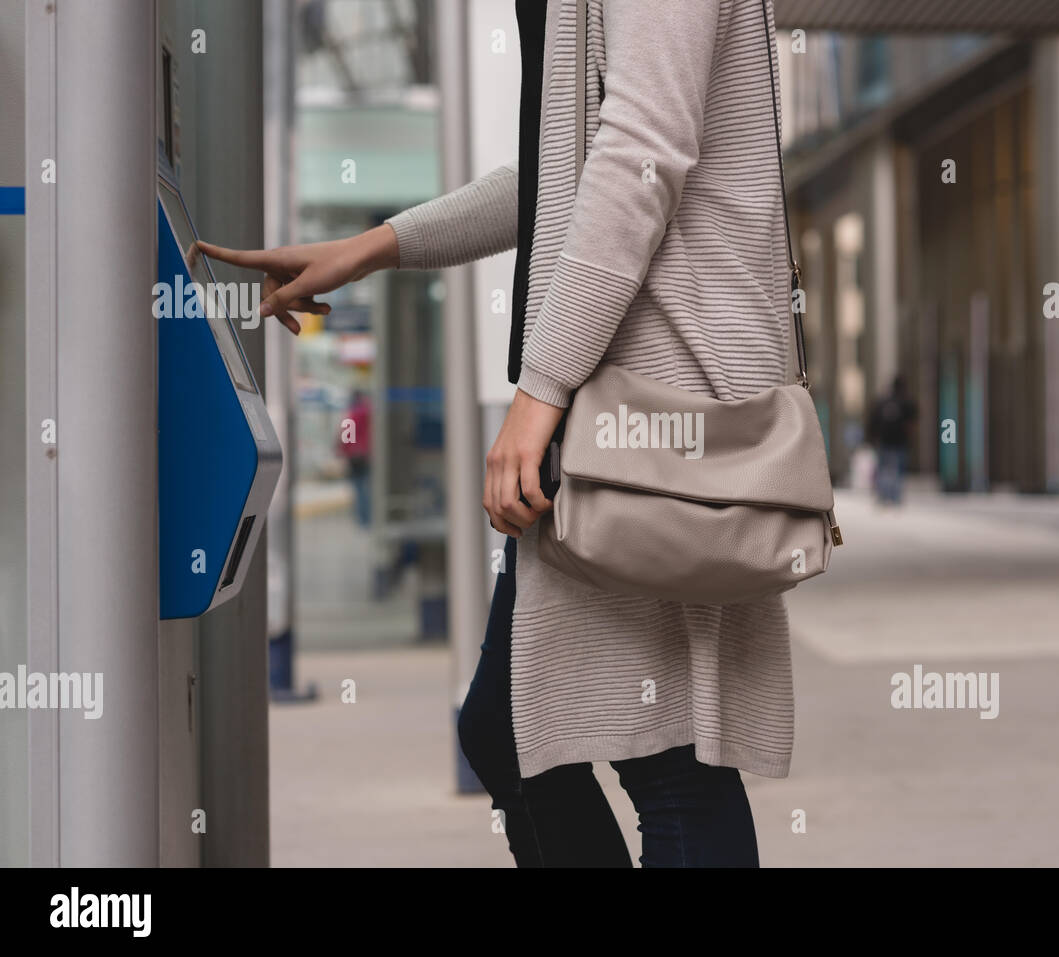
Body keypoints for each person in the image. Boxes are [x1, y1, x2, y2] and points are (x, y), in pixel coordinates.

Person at [198, 0, 797, 868]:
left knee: (662, 757)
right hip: (609, 401)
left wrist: (541, 388)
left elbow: (644, 149)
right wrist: (374, 246)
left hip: (649, 404)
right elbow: (567, 172)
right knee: (521, 729)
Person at [868, 375, 917, 505]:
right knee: (899, 471)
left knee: (884, 469)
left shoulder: (882, 402)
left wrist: (872, 437)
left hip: (884, 441)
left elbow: (873, 422)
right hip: (900, 442)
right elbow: (911, 423)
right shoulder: (906, 402)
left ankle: (883, 496)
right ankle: (895, 496)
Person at [338, 390, 372, 527]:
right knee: (365, 486)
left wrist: (343, 449)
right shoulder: (369, 411)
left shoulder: (353, 414)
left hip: (356, 455)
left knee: (358, 487)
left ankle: (363, 518)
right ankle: (367, 517)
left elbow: (347, 437)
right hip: (367, 453)